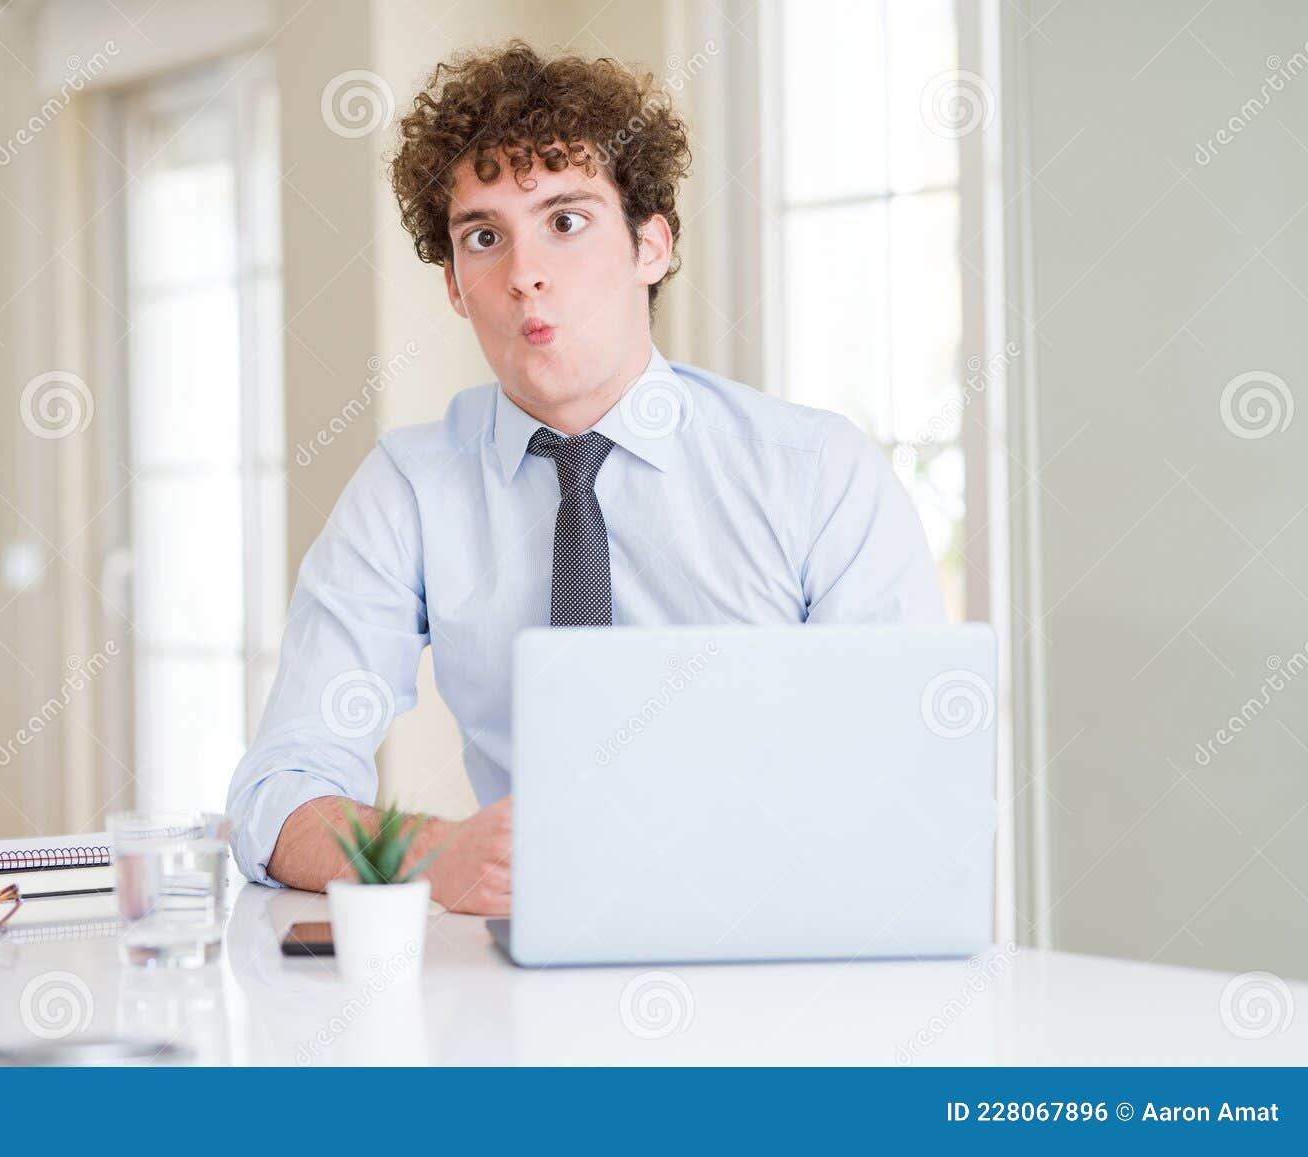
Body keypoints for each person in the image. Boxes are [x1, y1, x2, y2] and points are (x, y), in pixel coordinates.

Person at [226, 40, 943, 915]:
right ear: (455, 286)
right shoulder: (410, 490)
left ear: (651, 245)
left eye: (566, 222)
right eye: (483, 238)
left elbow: (908, 786)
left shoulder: (817, 476)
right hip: (519, 980)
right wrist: (438, 854)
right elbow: (276, 795)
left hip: (776, 963)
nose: (524, 272)